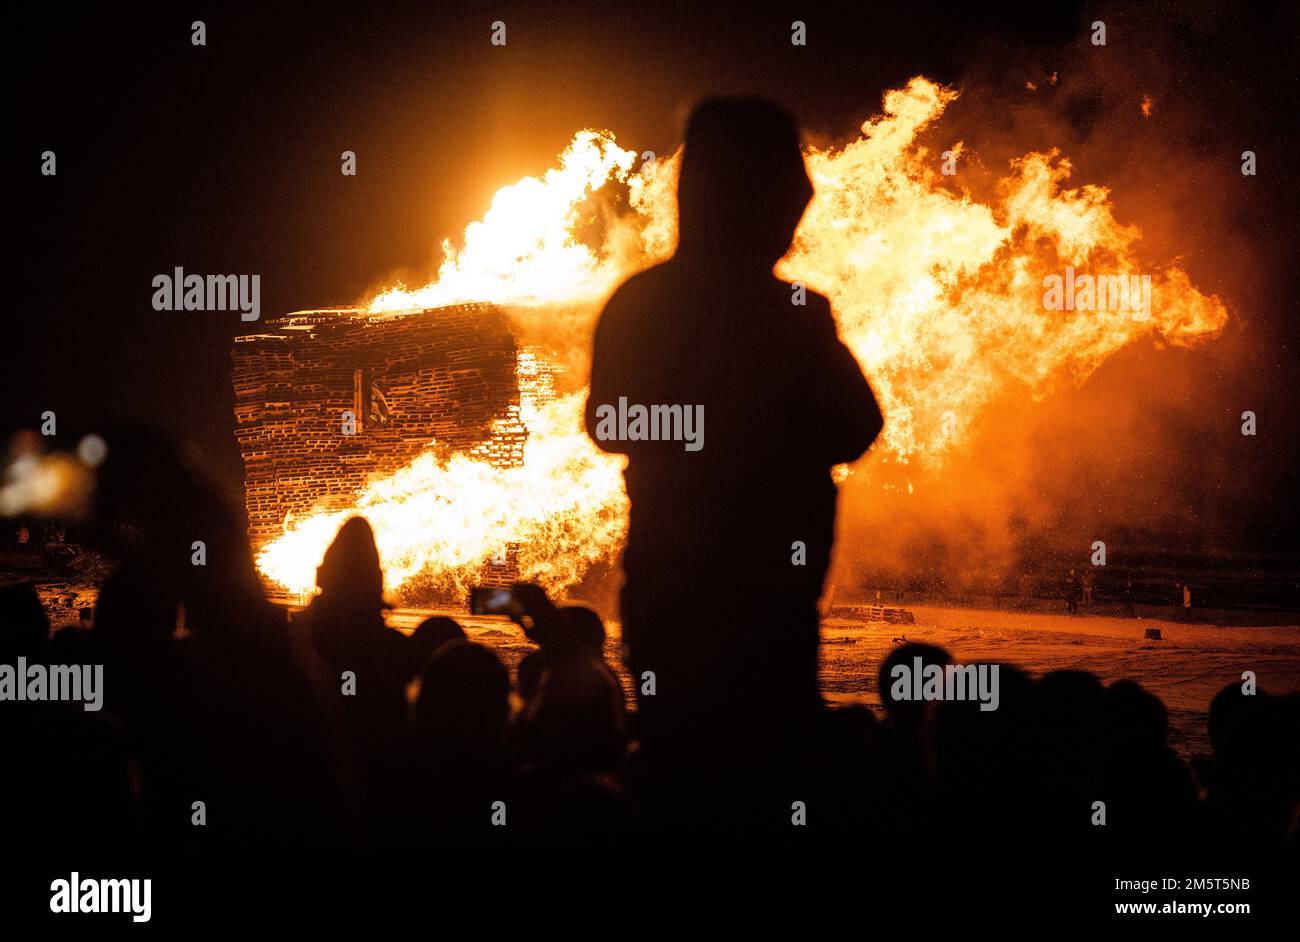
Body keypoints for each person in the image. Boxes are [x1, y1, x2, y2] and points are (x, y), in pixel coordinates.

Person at [585, 97, 883, 813]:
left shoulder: (640, 302)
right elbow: (856, 425)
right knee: (762, 773)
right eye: (786, 188)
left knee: (680, 767)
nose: (800, 207)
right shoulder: (793, 315)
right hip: (762, 601)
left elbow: (607, 421)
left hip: (675, 598)